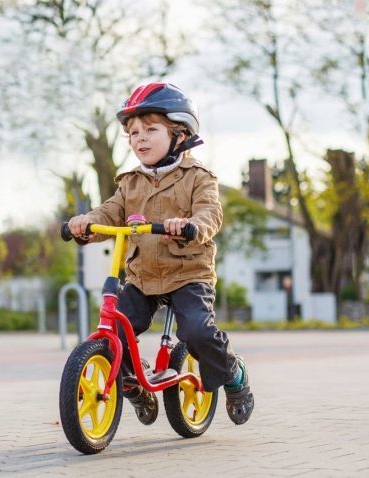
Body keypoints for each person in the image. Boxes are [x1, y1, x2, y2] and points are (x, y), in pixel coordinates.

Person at [67, 82, 254, 426]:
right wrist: (86, 223)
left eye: (151, 129)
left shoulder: (198, 177)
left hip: (188, 274)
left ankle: (234, 373)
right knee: (116, 329)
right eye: (133, 133)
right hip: (142, 276)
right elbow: (109, 212)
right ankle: (134, 386)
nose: (140, 138)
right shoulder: (130, 182)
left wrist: (191, 226)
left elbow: (210, 213)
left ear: (179, 134)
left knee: (197, 331)